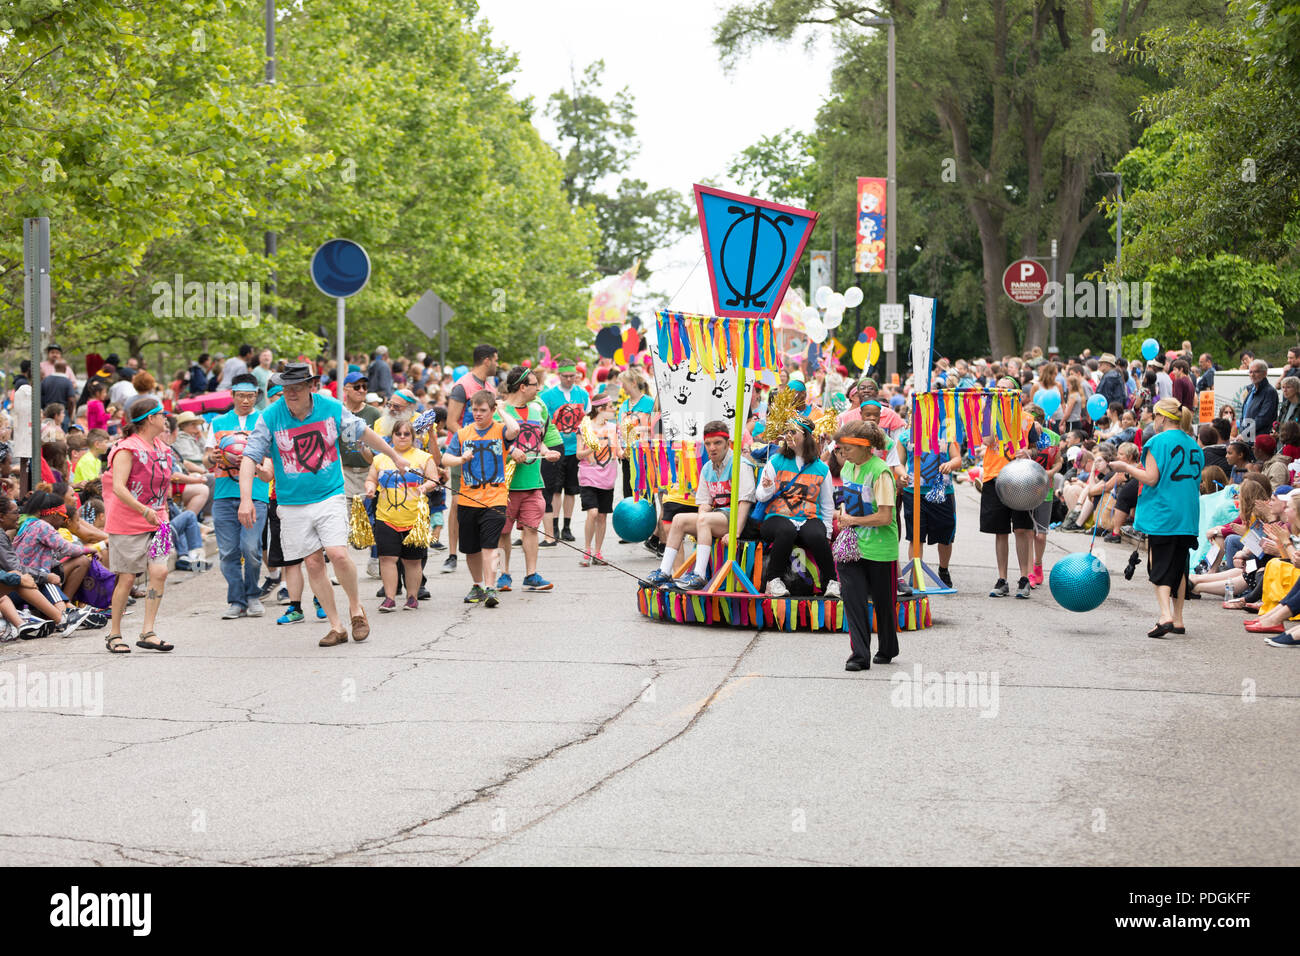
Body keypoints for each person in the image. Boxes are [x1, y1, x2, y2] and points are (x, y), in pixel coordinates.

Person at [237, 363, 412, 648]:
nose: (290, 393)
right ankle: (336, 625)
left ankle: (356, 608)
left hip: (329, 492)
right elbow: (249, 457)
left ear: (310, 386)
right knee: (313, 562)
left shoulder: (329, 407)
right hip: (292, 502)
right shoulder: (270, 417)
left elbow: (362, 432)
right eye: (286, 388)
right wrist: (246, 499)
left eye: (296, 387)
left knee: (337, 554)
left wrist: (395, 456)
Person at [1110, 397, 1205, 638]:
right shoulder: (1194, 444)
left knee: (1160, 564)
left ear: (1162, 417)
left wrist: (1126, 467)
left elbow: (1151, 478)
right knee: (1180, 566)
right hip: (1188, 513)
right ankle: (1179, 618)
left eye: (1154, 415)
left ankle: (1165, 616)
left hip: (1164, 512)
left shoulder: (1157, 442)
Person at [639, 419, 756, 591]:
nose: (712, 448)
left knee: (704, 520)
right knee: (678, 520)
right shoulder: (708, 467)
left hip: (740, 519)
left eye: (717, 443)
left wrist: (735, 533)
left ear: (727, 444)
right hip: (716, 516)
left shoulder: (740, 464)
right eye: (708, 443)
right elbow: (704, 503)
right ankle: (664, 571)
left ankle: (699, 574)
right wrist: (700, 519)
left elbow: (745, 502)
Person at [103, 395, 178, 653]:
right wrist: (143, 509)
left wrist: (161, 512)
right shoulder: (127, 448)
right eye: (162, 415)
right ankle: (114, 634)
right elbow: (118, 488)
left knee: (160, 572)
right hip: (127, 522)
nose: (166, 419)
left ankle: (148, 631)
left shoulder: (162, 447)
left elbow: (164, 484)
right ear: (150, 418)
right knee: (127, 578)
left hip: (159, 520)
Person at [833, 420, 898, 670]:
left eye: (847, 448)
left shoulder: (880, 472)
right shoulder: (848, 467)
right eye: (841, 448)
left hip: (880, 548)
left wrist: (853, 520)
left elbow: (885, 517)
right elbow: (846, 499)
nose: (842, 453)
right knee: (853, 598)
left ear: (865, 447)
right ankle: (859, 655)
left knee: (884, 603)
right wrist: (843, 512)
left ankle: (888, 647)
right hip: (852, 547)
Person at [445, 390, 519, 607]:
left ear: (492, 411)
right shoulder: (463, 434)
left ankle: (490, 587)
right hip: (468, 498)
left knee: (489, 546)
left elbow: (515, 429)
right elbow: (445, 458)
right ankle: (477, 584)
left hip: (495, 497)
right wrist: (460, 458)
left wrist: (502, 410)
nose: (477, 414)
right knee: (471, 548)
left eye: (483, 410)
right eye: (474, 409)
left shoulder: (500, 430)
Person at [206, 374, 271, 620]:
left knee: (251, 548)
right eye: (241, 396)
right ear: (232, 395)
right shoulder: (218, 422)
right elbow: (206, 458)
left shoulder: (264, 421)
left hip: (255, 494)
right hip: (224, 494)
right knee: (229, 552)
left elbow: (269, 461)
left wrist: (261, 469)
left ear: (257, 395)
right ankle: (236, 600)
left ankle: (253, 594)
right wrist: (212, 458)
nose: (246, 400)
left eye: (251, 396)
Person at [754, 415, 838, 599]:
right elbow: (760, 496)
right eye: (787, 432)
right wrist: (768, 488)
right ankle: (773, 581)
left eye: (793, 431)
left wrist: (828, 533)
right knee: (786, 530)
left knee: (817, 534)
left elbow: (826, 504)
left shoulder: (821, 469)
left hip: (807, 517)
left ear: (806, 436)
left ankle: (831, 582)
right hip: (776, 518)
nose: (788, 435)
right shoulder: (776, 461)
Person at [497, 365, 561, 592]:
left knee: (532, 529)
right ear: (522, 387)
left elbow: (537, 439)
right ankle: (503, 575)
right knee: (503, 531)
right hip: (507, 486)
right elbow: (493, 442)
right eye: (535, 385)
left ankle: (531, 574)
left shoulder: (537, 410)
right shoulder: (500, 412)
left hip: (534, 482)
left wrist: (546, 452)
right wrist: (510, 450)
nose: (539, 389)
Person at [365, 419, 439, 612]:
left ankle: (412, 597)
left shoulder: (423, 457)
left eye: (407, 434)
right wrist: (370, 488)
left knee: (412, 561)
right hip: (386, 517)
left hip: (414, 518)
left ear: (413, 437)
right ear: (392, 437)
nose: (403, 437)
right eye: (399, 434)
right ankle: (390, 598)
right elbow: (371, 479)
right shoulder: (381, 458)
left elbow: (434, 479)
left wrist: (426, 485)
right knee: (387, 558)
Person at [444, 345, 500, 571]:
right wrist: (468, 444)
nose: (498, 363)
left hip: (488, 456)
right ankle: (451, 554)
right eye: (496, 359)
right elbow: (451, 421)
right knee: (458, 502)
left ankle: (483, 549)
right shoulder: (462, 386)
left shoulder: (489, 387)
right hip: (463, 454)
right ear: (487, 360)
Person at [980, 378, 1037, 598]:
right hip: (994, 475)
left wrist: (1029, 453)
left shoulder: (1027, 420)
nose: (1001, 391)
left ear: (1016, 394)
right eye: (999, 388)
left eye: (1006, 389)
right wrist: (990, 410)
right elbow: (987, 439)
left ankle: (1024, 577)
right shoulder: (989, 415)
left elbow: (1037, 446)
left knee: (1022, 529)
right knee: (1000, 530)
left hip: (1020, 477)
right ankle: (1002, 578)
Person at [897, 423, 960, 588]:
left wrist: (950, 465)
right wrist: (902, 474)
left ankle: (943, 569)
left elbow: (957, 459)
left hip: (942, 491)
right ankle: (916, 574)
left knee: (946, 535)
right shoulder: (905, 437)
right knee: (915, 536)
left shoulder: (946, 434)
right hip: (914, 492)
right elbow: (899, 462)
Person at [539, 357, 588, 546]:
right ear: (559, 375)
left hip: (574, 449)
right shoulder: (548, 396)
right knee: (555, 489)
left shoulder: (582, 394)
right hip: (555, 448)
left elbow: (586, 420)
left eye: (572, 376)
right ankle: (555, 526)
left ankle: (567, 526)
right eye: (566, 376)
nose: (569, 379)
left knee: (571, 489)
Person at [575, 393, 622, 567]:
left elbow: (617, 451)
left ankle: (598, 552)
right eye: (610, 407)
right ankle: (587, 550)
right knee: (592, 512)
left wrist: (626, 453)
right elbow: (579, 454)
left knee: (602, 516)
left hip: (607, 477)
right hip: (588, 476)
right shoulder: (584, 427)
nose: (613, 410)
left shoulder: (613, 427)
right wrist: (591, 449)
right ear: (600, 409)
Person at [1240, 359, 1278, 438]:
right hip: (1247, 438)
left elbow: (1263, 419)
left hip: (1259, 440)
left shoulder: (1270, 392)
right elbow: (1244, 415)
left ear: (1265, 373)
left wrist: (1244, 434)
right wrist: (1242, 432)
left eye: (1256, 372)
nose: (1252, 375)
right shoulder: (1251, 390)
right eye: (1250, 372)